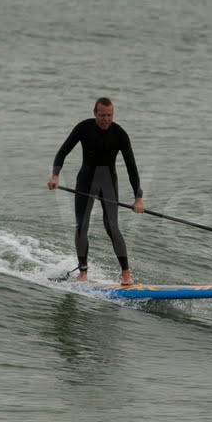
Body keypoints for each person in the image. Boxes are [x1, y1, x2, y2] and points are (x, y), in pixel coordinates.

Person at [48, 97, 144, 285]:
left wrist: (138, 197)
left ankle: (126, 275)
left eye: (109, 115)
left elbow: (132, 167)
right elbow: (63, 151)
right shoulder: (84, 128)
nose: (106, 119)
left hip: (108, 182)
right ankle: (83, 273)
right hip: (86, 181)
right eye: (102, 115)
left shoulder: (120, 134)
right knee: (81, 226)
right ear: (95, 113)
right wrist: (55, 175)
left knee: (112, 227)